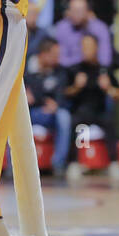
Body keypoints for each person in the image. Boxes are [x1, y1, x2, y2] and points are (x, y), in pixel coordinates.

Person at [63, 33, 119, 181]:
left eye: (89, 46)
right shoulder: (75, 69)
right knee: (74, 123)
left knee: (110, 122)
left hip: (100, 111)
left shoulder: (104, 70)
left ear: (96, 48)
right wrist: (76, 87)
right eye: (84, 47)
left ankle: (114, 163)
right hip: (81, 111)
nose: (86, 50)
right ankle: (73, 163)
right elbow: (64, 93)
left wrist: (108, 88)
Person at [24, 37, 73, 175]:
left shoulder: (60, 71)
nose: (58, 59)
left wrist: (56, 104)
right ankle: (12, 166)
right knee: (14, 118)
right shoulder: (26, 67)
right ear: (44, 54)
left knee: (64, 116)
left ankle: (58, 164)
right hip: (31, 112)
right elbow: (29, 96)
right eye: (54, 55)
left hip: (52, 113)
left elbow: (61, 94)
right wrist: (40, 100)